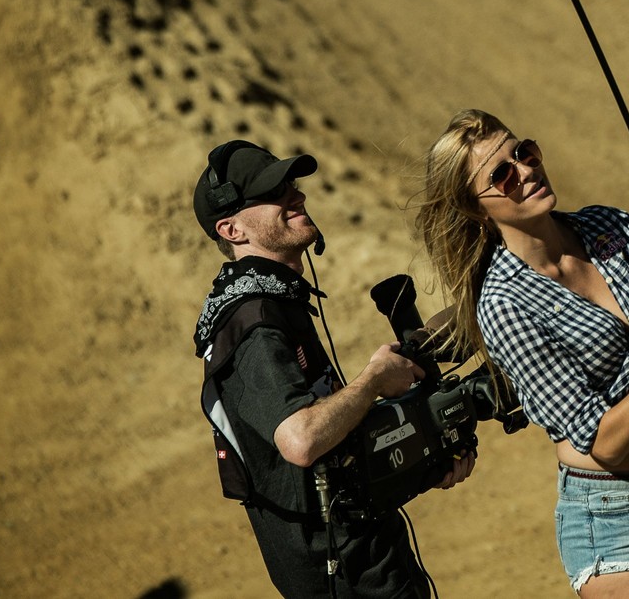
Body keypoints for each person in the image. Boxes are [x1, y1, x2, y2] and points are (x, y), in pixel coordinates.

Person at [413, 110, 629, 597]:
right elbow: (604, 443)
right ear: (476, 209)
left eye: (524, 152)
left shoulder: (605, 226)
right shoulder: (504, 304)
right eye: (502, 174)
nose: (526, 170)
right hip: (613, 514)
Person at [193, 139, 473, 599]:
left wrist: (425, 459)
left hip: (365, 555)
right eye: (273, 193)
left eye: (291, 184)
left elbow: (333, 441)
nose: (296, 195)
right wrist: (373, 379)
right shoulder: (253, 322)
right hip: (343, 577)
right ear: (232, 229)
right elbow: (301, 439)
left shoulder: (274, 299)